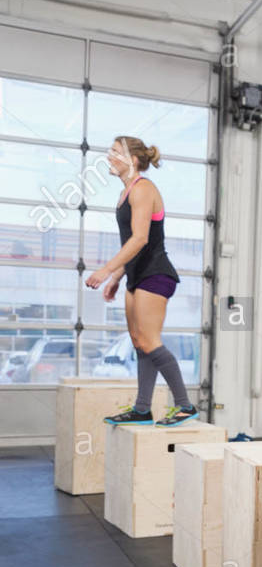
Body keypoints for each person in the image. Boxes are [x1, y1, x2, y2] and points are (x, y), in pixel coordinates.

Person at [88, 137, 197, 428]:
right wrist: (119, 276)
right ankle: (142, 409)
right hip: (137, 275)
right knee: (138, 343)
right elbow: (132, 244)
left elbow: (140, 238)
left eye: (115, 152)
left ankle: (185, 405)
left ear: (132, 160)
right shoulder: (125, 193)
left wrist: (106, 270)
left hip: (156, 273)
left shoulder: (144, 188)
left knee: (150, 340)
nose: (108, 156)